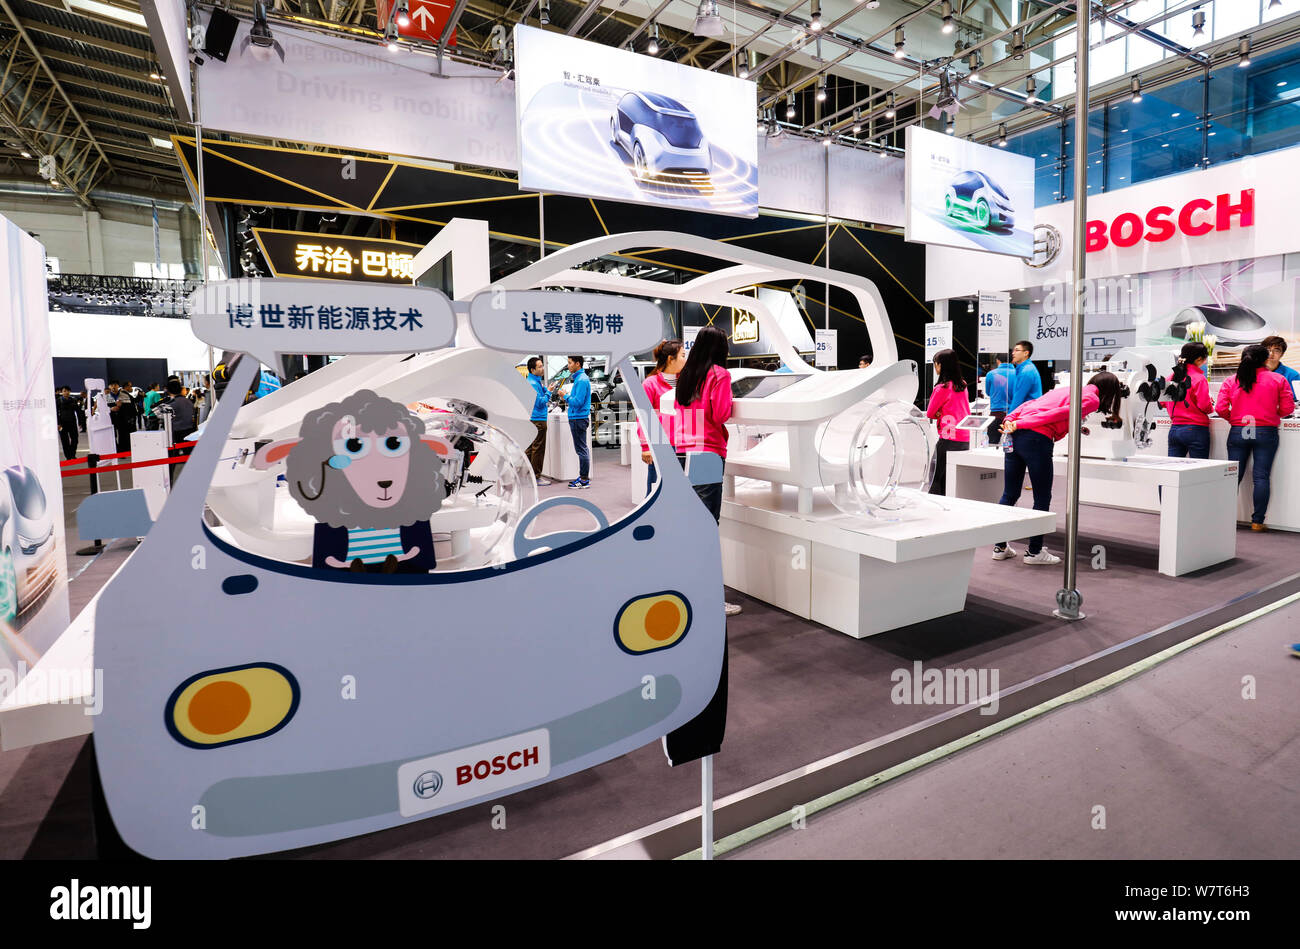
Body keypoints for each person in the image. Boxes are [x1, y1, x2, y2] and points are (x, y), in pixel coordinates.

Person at [991, 371, 1123, 565]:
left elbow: (1031, 405)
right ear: (1111, 391)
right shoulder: (1092, 399)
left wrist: (1011, 420)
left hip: (1014, 437)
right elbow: (1058, 414)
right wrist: (1022, 423)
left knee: (1009, 494)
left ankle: (1000, 547)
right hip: (1036, 439)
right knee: (1042, 497)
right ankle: (1034, 552)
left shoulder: (1066, 389)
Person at [673, 325, 741, 617]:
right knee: (706, 527)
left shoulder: (686, 375)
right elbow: (721, 413)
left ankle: (686, 589)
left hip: (681, 453)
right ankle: (710, 597)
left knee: (688, 524)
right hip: (708, 453)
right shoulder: (719, 374)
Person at [1216, 344, 1295, 531]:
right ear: (1266, 359)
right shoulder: (1278, 379)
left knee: (1232, 476)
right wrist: (1273, 414)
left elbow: (1219, 408)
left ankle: (1224, 518)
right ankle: (1257, 522)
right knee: (1261, 477)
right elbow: (1288, 408)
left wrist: (1233, 419)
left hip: (1238, 430)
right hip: (1266, 431)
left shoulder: (1231, 380)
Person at [641, 340, 686, 496]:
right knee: (656, 490)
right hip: (662, 445)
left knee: (682, 491)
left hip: (685, 445)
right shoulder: (650, 384)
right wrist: (646, 446)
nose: (685, 360)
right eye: (682, 355)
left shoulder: (686, 382)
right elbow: (644, 417)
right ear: (670, 359)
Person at [926, 348, 971, 496]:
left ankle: (934, 509)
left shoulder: (942, 388)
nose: (935, 367)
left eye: (936, 364)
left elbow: (931, 413)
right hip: (964, 436)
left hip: (948, 435)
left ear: (941, 365)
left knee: (936, 476)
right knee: (952, 476)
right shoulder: (962, 384)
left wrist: (940, 412)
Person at [1161, 342, 1212, 459]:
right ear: (1199, 359)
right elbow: (1205, 406)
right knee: (1198, 470)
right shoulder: (1199, 378)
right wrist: (1210, 405)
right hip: (1196, 429)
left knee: (1174, 470)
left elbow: (1163, 402)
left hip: (1174, 429)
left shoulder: (1171, 377)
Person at [156, 379, 197, 480]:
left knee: (171, 461)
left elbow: (160, 415)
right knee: (190, 459)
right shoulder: (188, 401)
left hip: (175, 434)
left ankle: (168, 483)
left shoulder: (171, 403)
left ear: (169, 391)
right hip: (189, 432)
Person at [523, 357, 553, 487]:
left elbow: (539, 396)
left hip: (532, 418)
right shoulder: (533, 384)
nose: (542, 369)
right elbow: (540, 403)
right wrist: (550, 393)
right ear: (532, 369)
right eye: (540, 367)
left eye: (542, 366)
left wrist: (546, 390)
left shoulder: (533, 381)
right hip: (538, 419)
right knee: (538, 449)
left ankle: (527, 475)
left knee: (531, 448)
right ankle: (536, 477)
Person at [565, 355, 592, 489]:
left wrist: (564, 395)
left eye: (570, 363)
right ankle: (583, 477)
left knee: (581, 450)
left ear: (577, 364)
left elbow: (577, 402)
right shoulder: (580, 379)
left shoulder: (581, 380)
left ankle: (584, 479)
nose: (568, 365)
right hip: (578, 418)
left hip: (578, 418)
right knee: (582, 449)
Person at [984, 354, 1016, 442]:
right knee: (1014, 444)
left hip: (996, 413)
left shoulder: (990, 374)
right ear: (1012, 360)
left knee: (992, 444)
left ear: (997, 360)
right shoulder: (1018, 373)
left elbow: (988, 392)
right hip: (1014, 414)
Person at [1008, 339, 1042, 412]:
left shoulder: (1026, 371)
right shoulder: (1024, 368)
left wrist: (1009, 417)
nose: (1013, 353)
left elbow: (1019, 397)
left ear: (1026, 353)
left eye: (1017, 350)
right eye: (1013, 350)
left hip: (1027, 413)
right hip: (1027, 411)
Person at [105, 380, 135, 455]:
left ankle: (123, 451)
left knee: (123, 435)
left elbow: (130, 407)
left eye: (115, 385)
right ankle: (115, 450)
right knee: (112, 435)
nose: (113, 387)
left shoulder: (125, 395)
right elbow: (101, 409)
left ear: (118, 386)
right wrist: (111, 409)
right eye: (111, 385)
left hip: (122, 418)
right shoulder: (105, 397)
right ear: (109, 387)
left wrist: (121, 406)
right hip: (110, 419)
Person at [55, 385, 80, 461]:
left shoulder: (73, 400)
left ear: (70, 391)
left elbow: (78, 411)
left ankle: (73, 454)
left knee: (75, 439)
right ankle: (68, 457)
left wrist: (80, 422)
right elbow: (55, 412)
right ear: (62, 392)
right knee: (64, 441)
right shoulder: (58, 401)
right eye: (64, 391)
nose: (66, 392)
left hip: (72, 422)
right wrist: (58, 424)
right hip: (62, 424)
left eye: (67, 391)